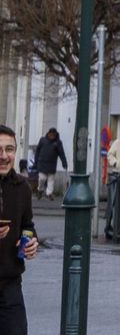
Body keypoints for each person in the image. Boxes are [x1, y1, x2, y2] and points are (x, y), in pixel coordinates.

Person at [0, 125, 42, 335]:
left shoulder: (22, 187)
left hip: (10, 286)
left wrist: (32, 242)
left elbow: (27, 225)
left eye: (10, 149)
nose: (4, 156)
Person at [29, 131, 63, 200]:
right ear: (48, 134)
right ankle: (40, 189)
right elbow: (38, 151)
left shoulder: (57, 143)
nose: (51, 136)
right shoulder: (42, 140)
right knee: (42, 178)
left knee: (51, 180)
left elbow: (61, 153)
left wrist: (64, 162)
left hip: (52, 164)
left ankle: (49, 193)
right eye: (50, 135)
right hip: (42, 163)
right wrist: (36, 161)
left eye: (53, 135)